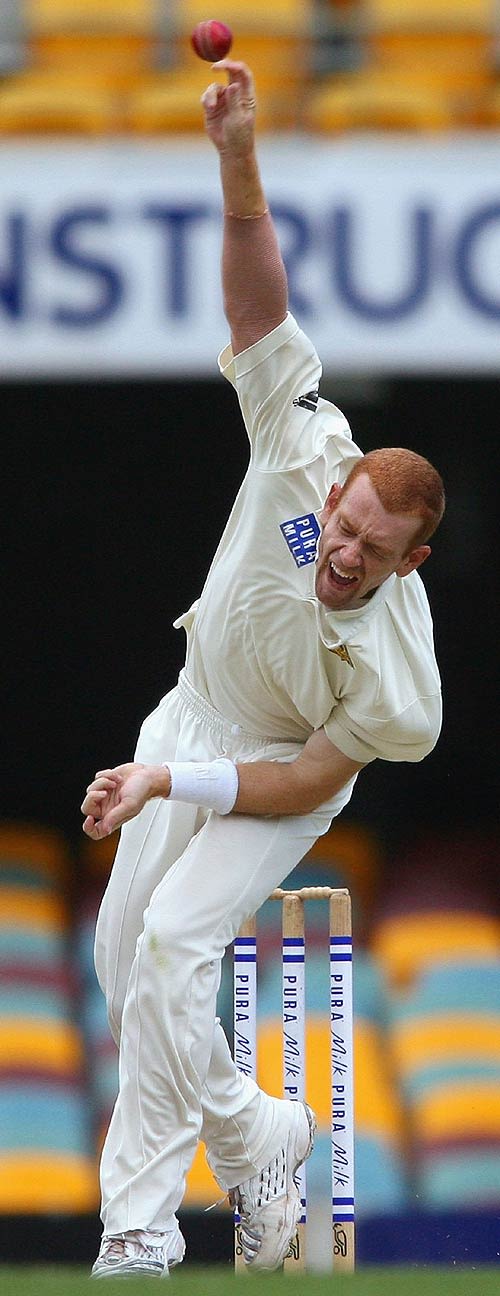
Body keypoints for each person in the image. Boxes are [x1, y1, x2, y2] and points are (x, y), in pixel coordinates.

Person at [82, 61, 445, 1280]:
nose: (341, 556)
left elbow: (296, 782)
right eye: (340, 529)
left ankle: (135, 1238)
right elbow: (252, 285)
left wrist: (165, 788)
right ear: (334, 489)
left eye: (371, 554)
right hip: (192, 710)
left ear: (413, 561)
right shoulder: (302, 439)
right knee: (125, 965)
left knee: (180, 951)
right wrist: (236, 150)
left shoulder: (401, 686)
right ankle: (262, 1141)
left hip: (280, 770)